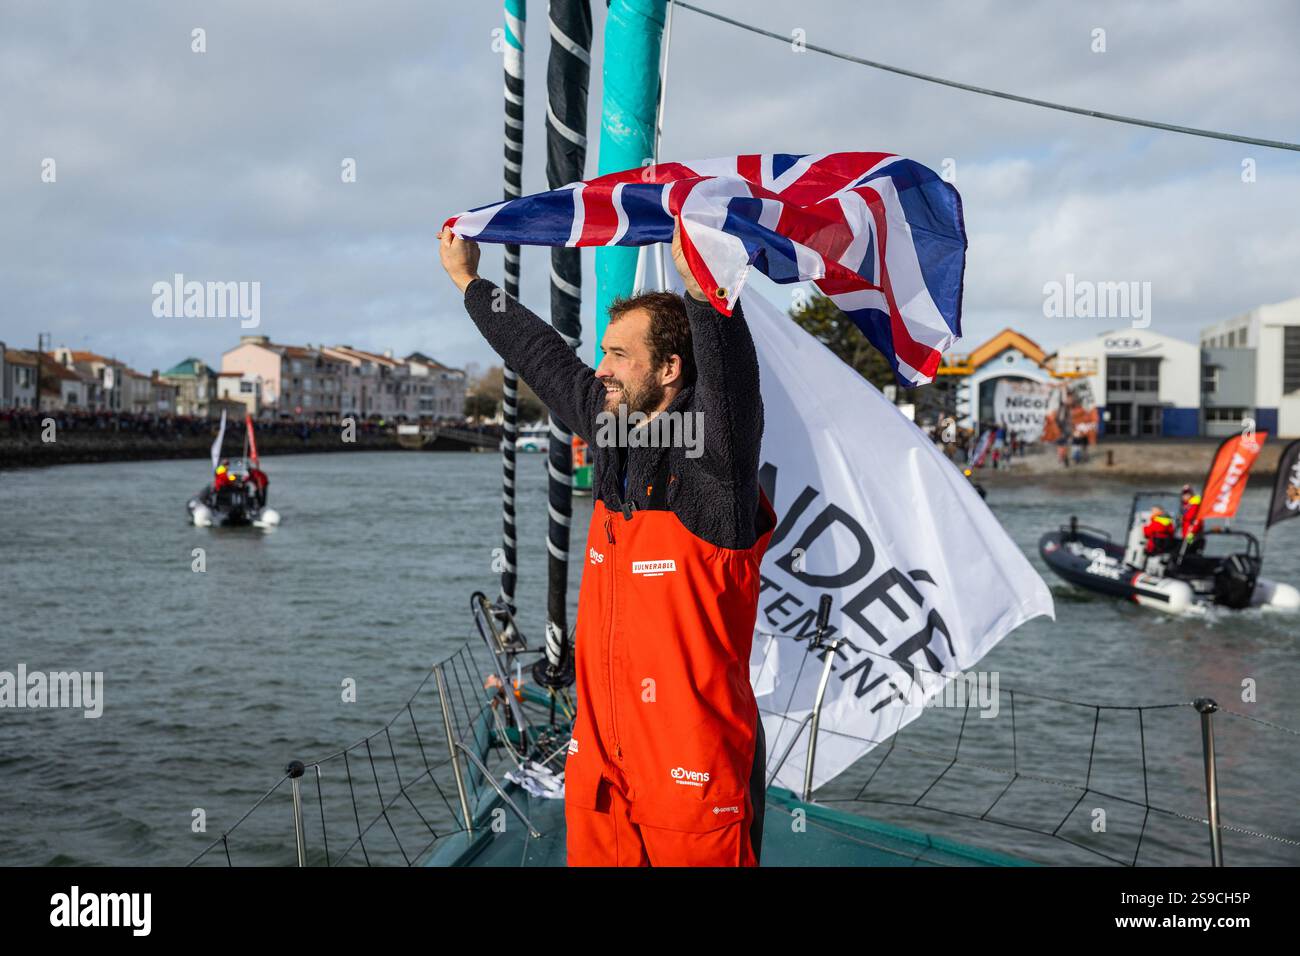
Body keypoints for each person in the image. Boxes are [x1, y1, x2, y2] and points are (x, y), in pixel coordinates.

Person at [439, 223, 773, 867]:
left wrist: (704, 290)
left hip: (691, 779)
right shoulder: (613, 427)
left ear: (671, 369)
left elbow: (733, 386)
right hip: (602, 764)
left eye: (621, 355)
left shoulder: (714, 460)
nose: (602, 368)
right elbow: (540, 355)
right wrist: (468, 281)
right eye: (604, 351)